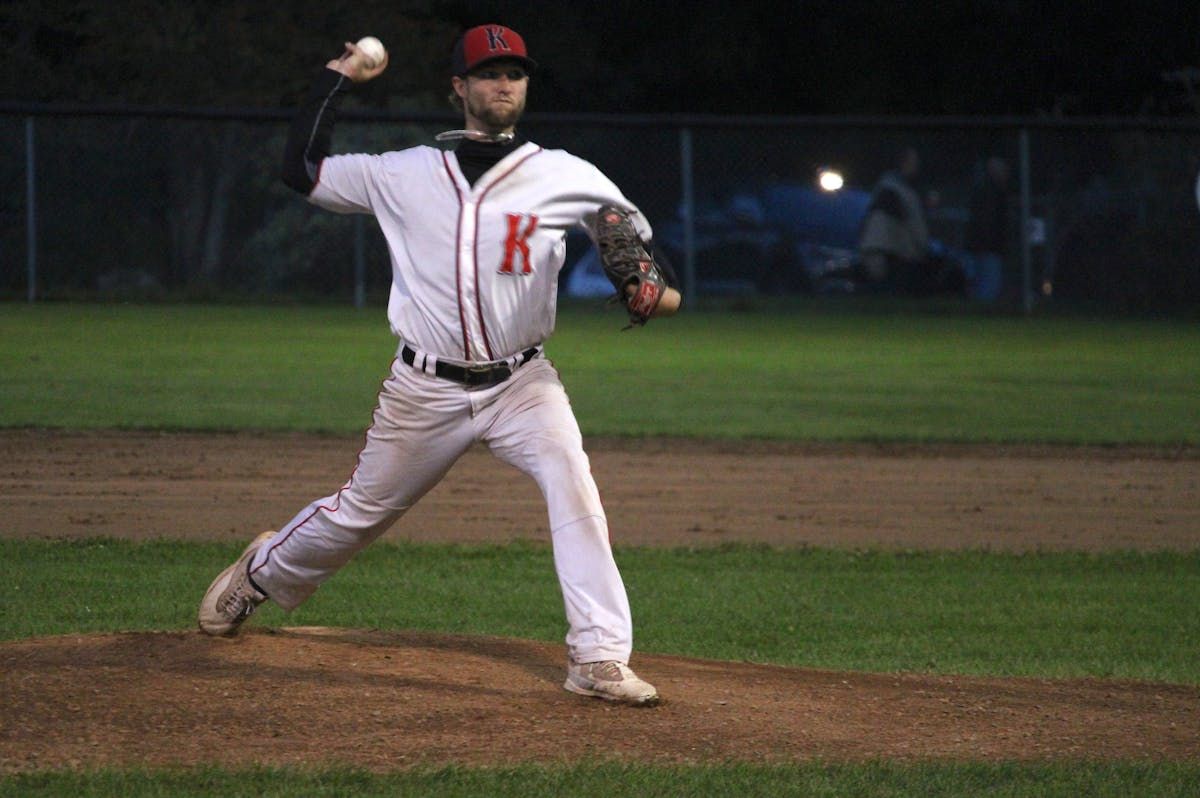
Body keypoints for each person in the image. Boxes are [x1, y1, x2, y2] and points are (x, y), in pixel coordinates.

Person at [197, 23, 680, 707]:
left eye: (514, 73)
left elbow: (629, 240)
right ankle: (261, 572)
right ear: (459, 87)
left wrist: (639, 271)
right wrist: (335, 79)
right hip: (424, 388)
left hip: (524, 382)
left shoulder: (566, 174)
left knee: (574, 482)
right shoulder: (402, 174)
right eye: (488, 73)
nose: (503, 84)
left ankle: (598, 657)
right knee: (358, 515)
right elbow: (299, 171)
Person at [857, 147, 933, 293]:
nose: (916, 165)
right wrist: (922, 244)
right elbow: (910, 222)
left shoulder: (888, 188)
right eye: (913, 162)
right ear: (904, 163)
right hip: (893, 250)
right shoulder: (898, 191)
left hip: (885, 248)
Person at [962, 156, 1011, 303]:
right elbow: (988, 223)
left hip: (980, 248)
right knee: (987, 292)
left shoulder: (983, 190)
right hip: (988, 249)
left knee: (980, 290)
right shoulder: (992, 193)